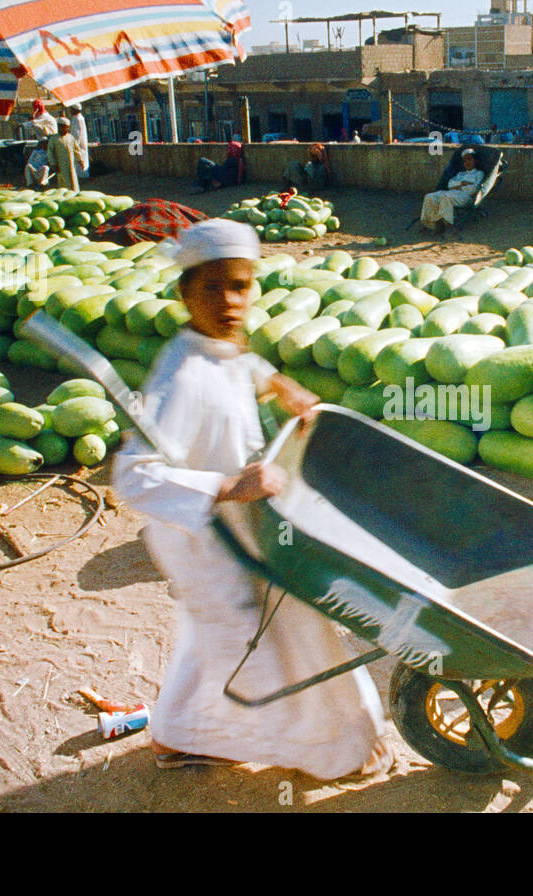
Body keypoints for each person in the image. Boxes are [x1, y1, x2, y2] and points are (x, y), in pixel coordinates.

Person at [111, 219, 389, 778]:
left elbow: (237, 364)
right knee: (268, 645)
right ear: (184, 293)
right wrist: (229, 486)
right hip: (203, 537)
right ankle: (330, 749)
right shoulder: (179, 377)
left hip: (236, 529)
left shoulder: (218, 349)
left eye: (239, 285)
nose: (229, 301)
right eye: (211, 287)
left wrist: (276, 381)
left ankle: (174, 734)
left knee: (219, 639)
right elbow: (132, 475)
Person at [420, 148, 485, 232]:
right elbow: (450, 184)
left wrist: (458, 186)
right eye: (465, 161)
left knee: (445, 197)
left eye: (469, 159)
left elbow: (474, 189)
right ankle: (432, 223)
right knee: (430, 196)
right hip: (452, 192)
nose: (467, 163)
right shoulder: (460, 174)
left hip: (465, 196)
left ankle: (448, 225)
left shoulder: (479, 174)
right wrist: (462, 183)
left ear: (475, 161)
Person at [46, 117, 80, 189]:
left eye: (67, 128)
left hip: (71, 164)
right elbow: (50, 152)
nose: (65, 129)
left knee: (73, 182)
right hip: (61, 166)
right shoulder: (54, 139)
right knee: (64, 183)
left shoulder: (71, 137)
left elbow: (76, 149)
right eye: (63, 127)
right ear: (59, 127)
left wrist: (80, 160)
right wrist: (53, 164)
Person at [67, 103, 90, 178]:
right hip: (77, 146)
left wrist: (73, 145)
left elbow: (77, 134)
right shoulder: (76, 119)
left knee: (80, 166)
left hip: (78, 147)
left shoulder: (78, 119)